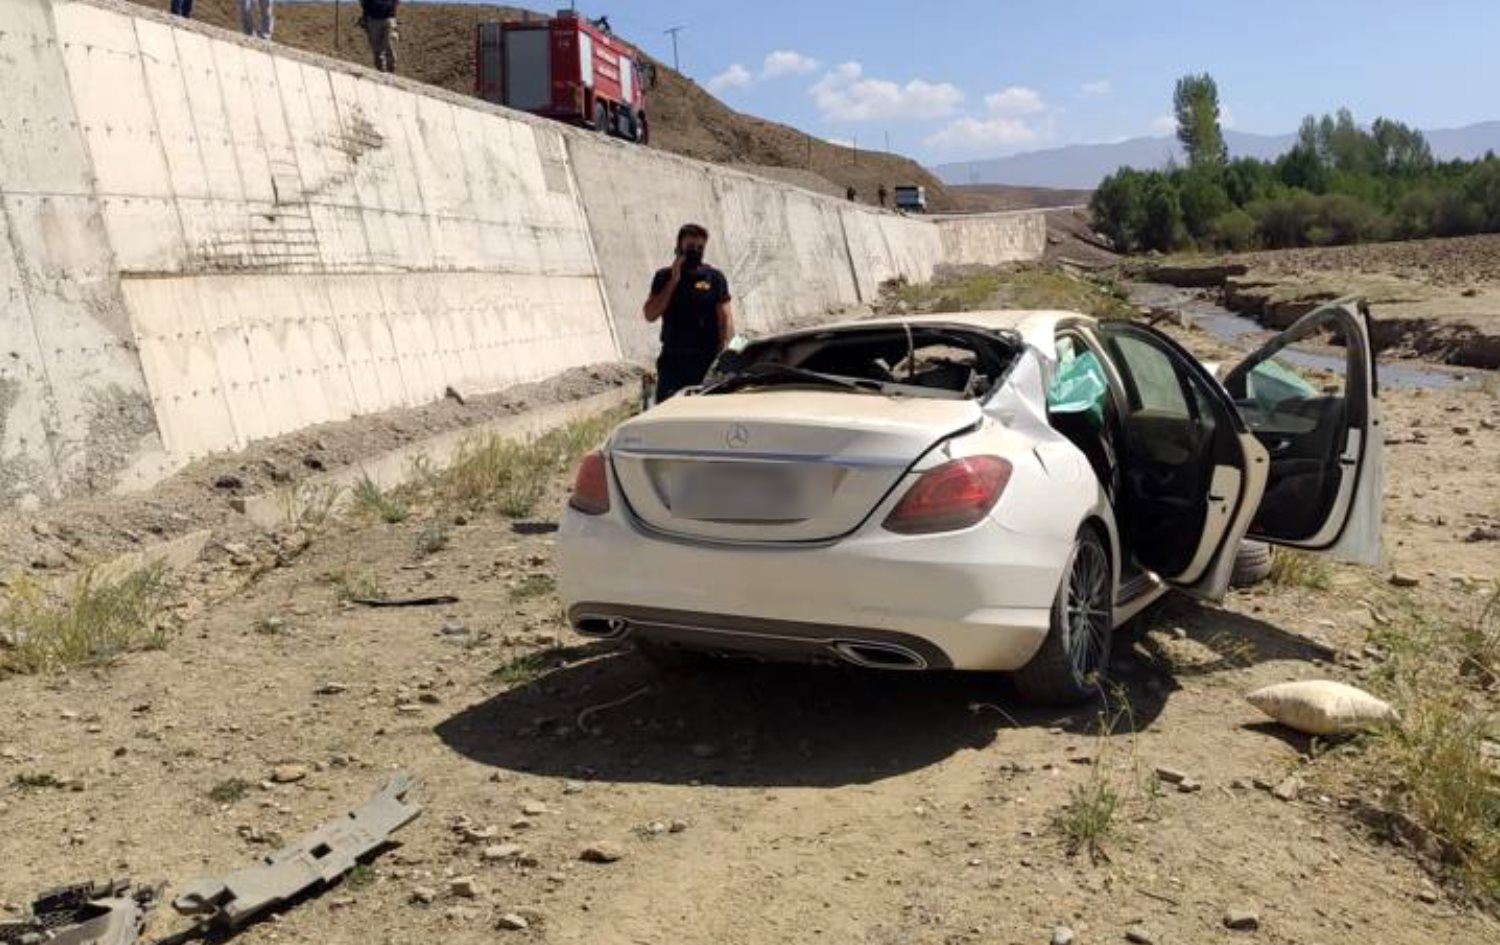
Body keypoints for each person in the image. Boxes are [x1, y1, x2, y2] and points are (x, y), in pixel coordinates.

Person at [643, 224, 734, 402]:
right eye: (690, 247)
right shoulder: (663, 277)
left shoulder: (715, 278)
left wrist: (725, 355)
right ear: (679, 248)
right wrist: (674, 280)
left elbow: (726, 319)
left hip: (706, 359)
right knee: (669, 411)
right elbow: (650, 314)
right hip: (673, 360)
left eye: (700, 248)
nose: (696, 251)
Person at [359, 0, 398, 74]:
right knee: (377, 50)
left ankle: (391, 72)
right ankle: (380, 72)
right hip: (373, 19)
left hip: (388, 18)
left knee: (390, 46)